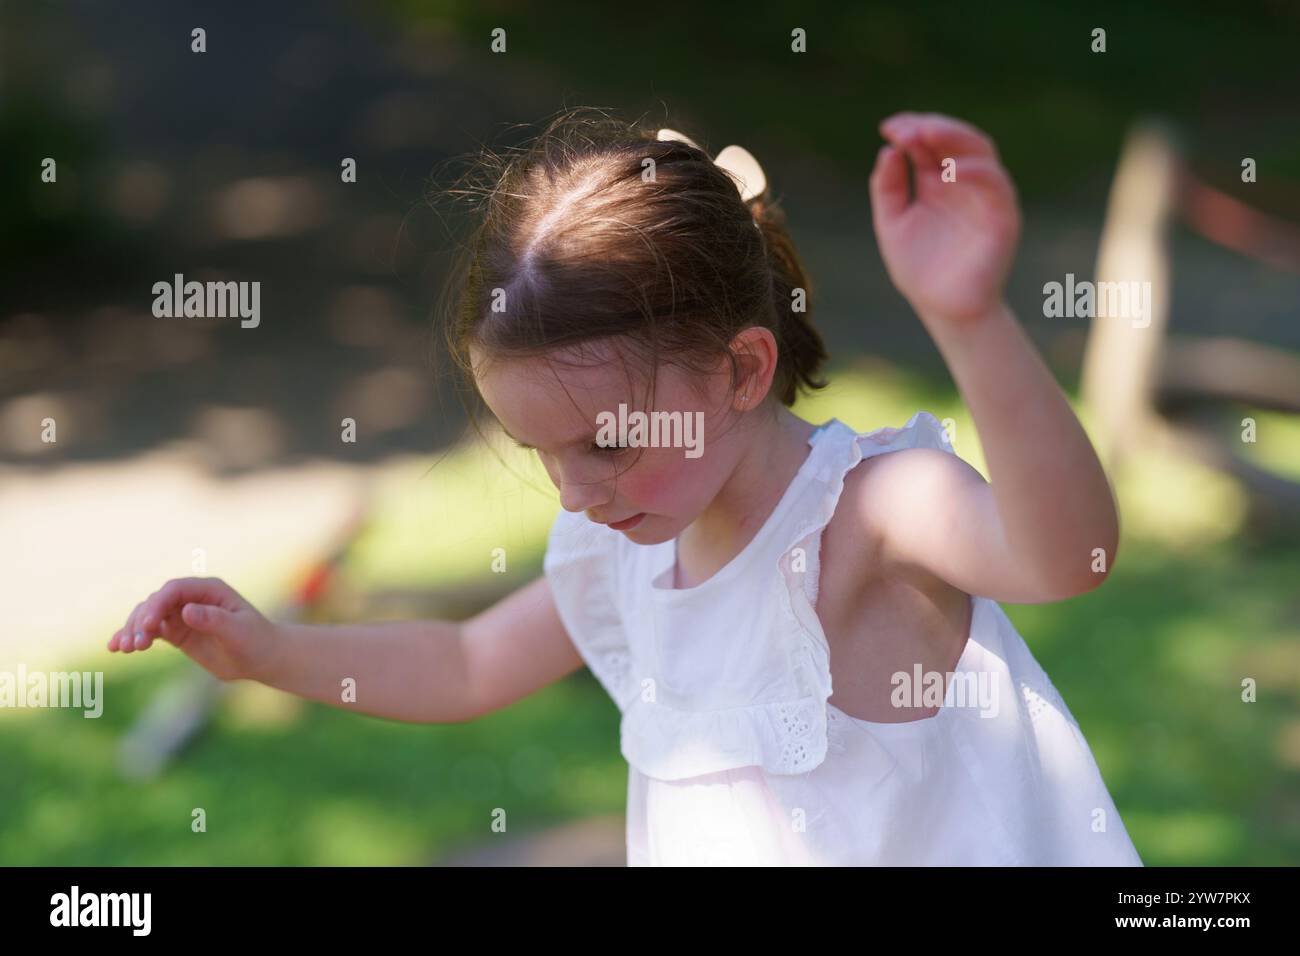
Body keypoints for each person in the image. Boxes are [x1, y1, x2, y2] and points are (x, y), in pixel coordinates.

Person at [111, 107, 1142, 866]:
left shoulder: (875, 511)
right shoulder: (626, 545)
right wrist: (273, 652)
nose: (573, 491)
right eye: (542, 450)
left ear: (741, 370)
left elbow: (1072, 555)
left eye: (607, 440)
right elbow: (467, 662)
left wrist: (967, 318)